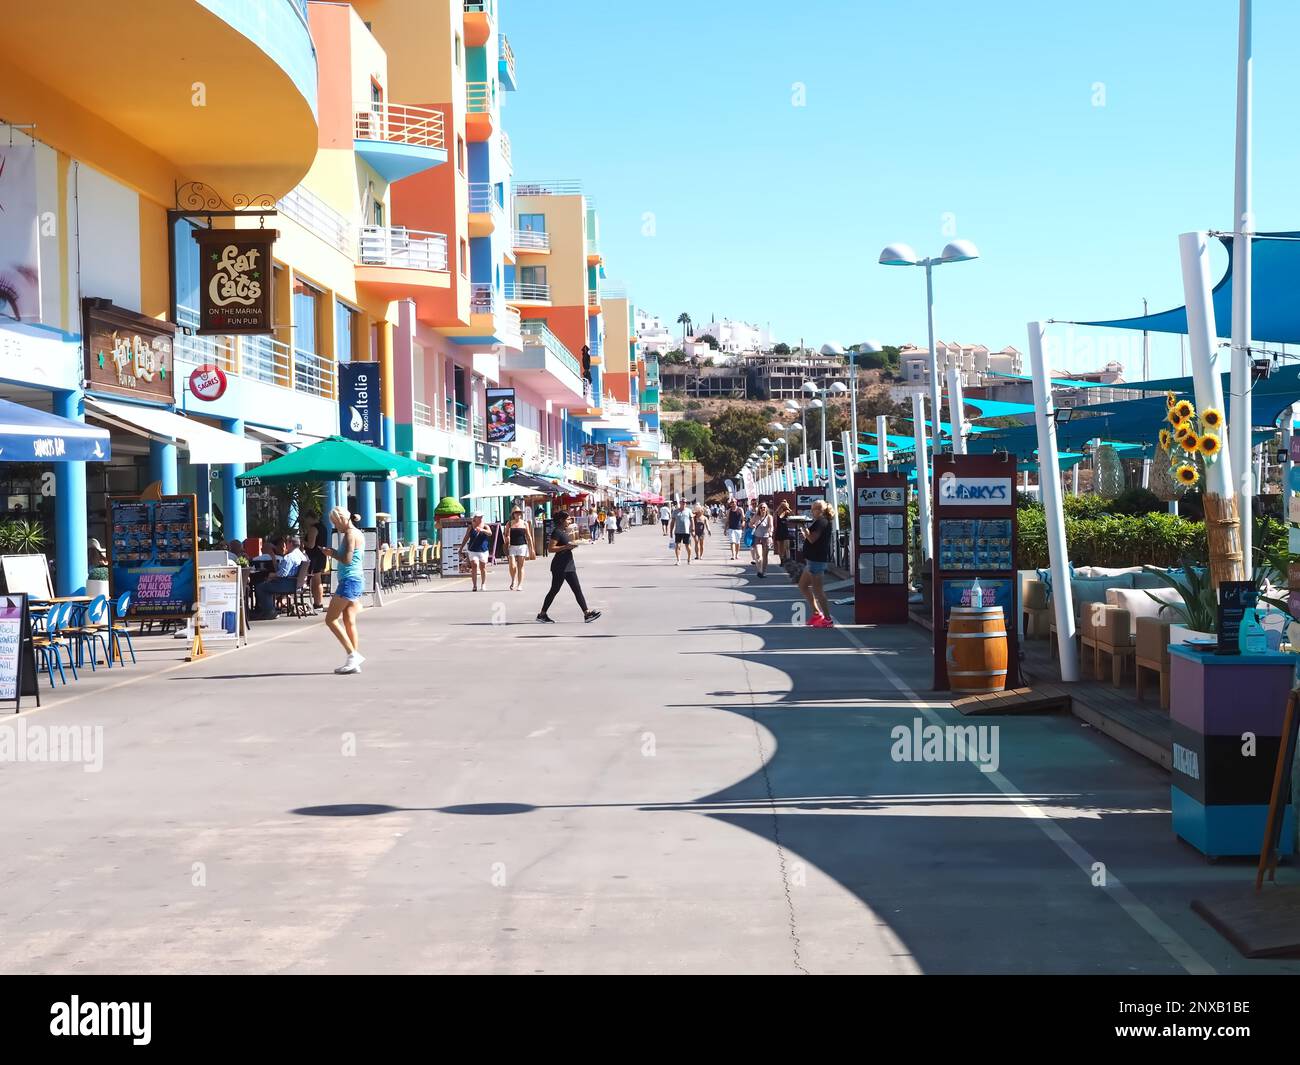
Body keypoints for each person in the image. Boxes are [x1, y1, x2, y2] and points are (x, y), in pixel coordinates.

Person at [321, 507, 366, 673]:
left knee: (330, 619)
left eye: (335, 523)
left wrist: (331, 553)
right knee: (348, 619)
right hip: (356, 579)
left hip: (349, 580)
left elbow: (346, 560)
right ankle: (353, 660)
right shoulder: (358, 533)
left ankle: (352, 655)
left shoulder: (349, 534)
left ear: (340, 520)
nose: (335, 527)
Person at [537, 510, 601, 624]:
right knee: (555, 590)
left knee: (576, 589)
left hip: (568, 564)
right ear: (561, 520)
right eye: (567, 519)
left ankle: (586, 613)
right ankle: (542, 614)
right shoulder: (557, 532)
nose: (570, 521)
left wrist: (571, 546)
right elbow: (550, 548)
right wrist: (566, 547)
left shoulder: (563, 531)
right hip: (560, 566)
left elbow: (566, 546)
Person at [253, 535, 307, 620]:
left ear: (290, 543)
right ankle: (270, 609)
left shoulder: (290, 557)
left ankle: (269, 611)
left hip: (288, 584)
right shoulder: (302, 555)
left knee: (261, 587)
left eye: (287, 543)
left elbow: (283, 574)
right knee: (267, 585)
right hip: (297, 583)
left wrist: (272, 575)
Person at [799, 499, 834, 627]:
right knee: (803, 585)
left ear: (819, 510)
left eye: (812, 509)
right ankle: (816, 613)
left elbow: (812, 538)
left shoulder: (821, 521)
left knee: (818, 590)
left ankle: (828, 619)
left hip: (816, 560)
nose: (811, 511)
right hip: (812, 560)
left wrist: (803, 526)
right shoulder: (820, 521)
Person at [460, 513, 493, 592]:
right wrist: (461, 548)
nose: (481, 518)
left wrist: (482, 530)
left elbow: (490, 533)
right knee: (474, 564)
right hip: (473, 550)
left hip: (483, 550)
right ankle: (474, 585)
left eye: (482, 517)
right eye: (479, 517)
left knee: (483, 567)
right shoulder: (471, 527)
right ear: (475, 518)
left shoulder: (485, 526)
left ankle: (483, 584)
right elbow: (466, 537)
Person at [302, 512, 328, 611]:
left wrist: (302, 541)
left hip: (314, 556)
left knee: (315, 580)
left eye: (306, 519)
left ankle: (318, 602)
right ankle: (318, 602)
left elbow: (311, 545)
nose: (305, 522)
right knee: (317, 579)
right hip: (321, 556)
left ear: (310, 518)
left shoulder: (314, 528)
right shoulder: (323, 527)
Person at [505, 507, 535, 591]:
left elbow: (528, 536)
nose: (517, 514)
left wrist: (532, 548)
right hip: (512, 546)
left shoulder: (524, 523)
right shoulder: (509, 523)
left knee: (520, 566)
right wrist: (507, 538)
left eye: (519, 513)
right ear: (513, 514)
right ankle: (513, 580)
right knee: (512, 565)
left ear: (521, 514)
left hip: (522, 546)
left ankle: (519, 584)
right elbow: (506, 534)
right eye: (516, 513)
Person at [751, 501, 774, 578]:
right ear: (759, 509)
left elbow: (771, 526)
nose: (762, 509)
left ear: (766, 509)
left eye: (764, 507)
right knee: (759, 555)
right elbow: (750, 524)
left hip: (766, 537)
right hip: (757, 537)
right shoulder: (756, 516)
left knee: (765, 556)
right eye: (761, 507)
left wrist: (770, 534)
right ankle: (759, 571)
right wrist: (753, 525)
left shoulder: (769, 517)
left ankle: (764, 571)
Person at [670, 500, 693, 565]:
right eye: (683, 502)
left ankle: (689, 558)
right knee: (677, 546)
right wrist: (671, 531)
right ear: (680, 503)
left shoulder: (688, 510)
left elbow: (692, 520)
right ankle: (678, 560)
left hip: (686, 531)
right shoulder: (675, 511)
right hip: (678, 531)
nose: (684, 503)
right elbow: (672, 522)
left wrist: (692, 529)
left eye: (685, 502)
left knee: (687, 546)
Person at [773, 500, 792, 564]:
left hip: (785, 531)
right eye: (783, 502)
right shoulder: (778, 512)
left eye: (785, 502)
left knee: (787, 546)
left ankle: (788, 560)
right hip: (779, 531)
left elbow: (793, 515)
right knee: (780, 547)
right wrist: (780, 506)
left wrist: (787, 508)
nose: (784, 503)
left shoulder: (787, 512)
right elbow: (776, 514)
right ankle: (782, 560)